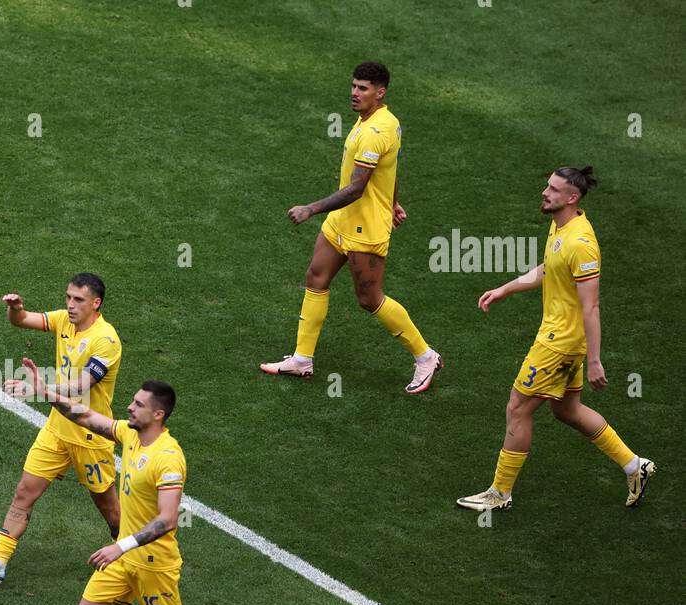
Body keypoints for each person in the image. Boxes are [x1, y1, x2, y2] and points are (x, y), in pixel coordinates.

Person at [0, 360, 200, 605]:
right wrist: (47, 393)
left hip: (154, 566)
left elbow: (167, 520)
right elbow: (90, 418)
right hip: (124, 562)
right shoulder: (133, 436)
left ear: (158, 413)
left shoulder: (168, 457)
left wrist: (120, 546)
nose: (128, 407)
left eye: (138, 404)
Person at [457, 167, 655, 511]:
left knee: (517, 408)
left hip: (559, 342)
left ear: (572, 198)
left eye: (552, 189)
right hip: (562, 338)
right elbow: (550, 268)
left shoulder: (582, 244)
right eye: (546, 185)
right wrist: (507, 288)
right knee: (567, 409)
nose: (544, 192)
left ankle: (499, 494)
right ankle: (635, 466)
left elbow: (591, 306)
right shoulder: (561, 225)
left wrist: (594, 360)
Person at [260, 61, 443, 393]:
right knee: (316, 277)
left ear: (380, 92)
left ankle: (425, 356)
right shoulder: (375, 119)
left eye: (362, 88)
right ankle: (302, 359)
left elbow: (357, 188)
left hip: (365, 227)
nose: (354, 93)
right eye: (354, 86)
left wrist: (310, 209)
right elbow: (391, 168)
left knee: (369, 298)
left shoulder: (377, 131)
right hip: (343, 219)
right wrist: (393, 200)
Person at [0, 274, 122, 585]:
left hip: (90, 435)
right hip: (56, 429)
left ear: (96, 303)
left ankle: (128, 553)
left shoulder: (106, 340)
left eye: (78, 300)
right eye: (68, 297)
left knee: (109, 508)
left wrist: (39, 388)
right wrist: (15, 308)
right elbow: (21, 321)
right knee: (24, 492)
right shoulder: (63, 321)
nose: (70, 305)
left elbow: (81, 386)